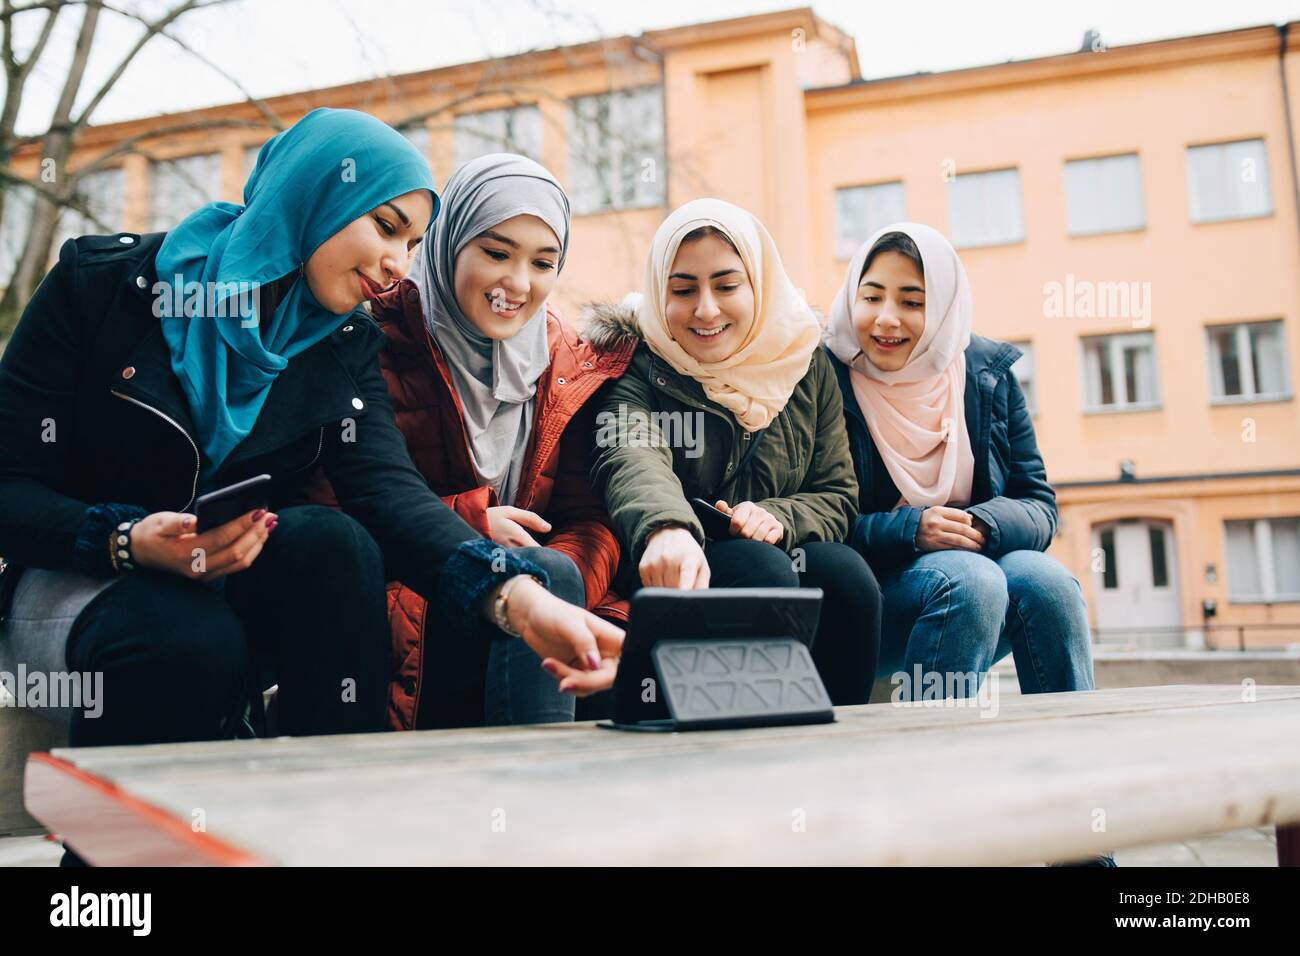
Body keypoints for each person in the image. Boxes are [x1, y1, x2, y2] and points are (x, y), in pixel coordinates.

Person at [0, 110, 621, 864]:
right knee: (189, 639)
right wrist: (124, 539)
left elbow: (390, 497)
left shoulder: (341, 342)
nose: (398, 264)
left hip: (229, 576)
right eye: (385, 228)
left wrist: (519, 599)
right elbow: (11, 484)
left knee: (336, 543)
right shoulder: (101, 288)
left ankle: (336, 835)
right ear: (313, 194)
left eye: (412, 244)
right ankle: (110, 882)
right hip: (84, 574)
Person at [308, 153, 635, 729]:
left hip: (522, 620)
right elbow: (333, 506)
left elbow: (587, 517)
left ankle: (534, 790)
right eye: (496, 252)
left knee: (553, 575)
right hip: (401, 610)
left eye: (543, 262)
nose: (518, 283)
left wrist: (549, 577)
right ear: (448, 240)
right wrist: (474, 525)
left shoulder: (562, 357)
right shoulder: (371, 335)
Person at [576, 198, 881, 704]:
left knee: (844, 575)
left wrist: (777, 516)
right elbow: (629, 448)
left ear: (757, 284)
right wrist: (665, 526)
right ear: (660, 291)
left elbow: (836, 492)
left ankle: (836, 747)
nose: (706, 309)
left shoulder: (805, 363)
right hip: (667, 556)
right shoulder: (637, 357)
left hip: (775, 544)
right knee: (761, 572)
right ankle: (744, 750)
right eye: (683, 289)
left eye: (726, 284)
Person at [825, 222, 1094, 700]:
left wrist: (981, 524)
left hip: (978, 581)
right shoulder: (825, 378)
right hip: (871, 600)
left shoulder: (987, 374)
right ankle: (934, 754)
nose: (887, 319)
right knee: (971, 579)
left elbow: (1038, 504)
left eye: (912, 302)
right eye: (871, 297)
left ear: (946, 307)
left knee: (1048, 582)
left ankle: (1072, 749)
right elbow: (818, 516)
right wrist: (913, 529)